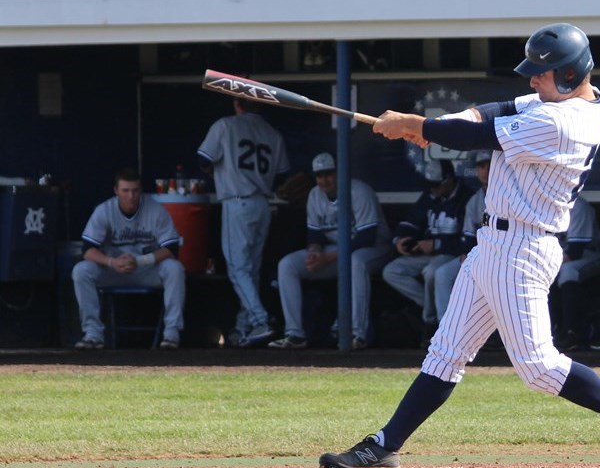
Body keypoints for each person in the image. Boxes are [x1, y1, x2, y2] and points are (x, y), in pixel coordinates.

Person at [318, 22, 600, 468]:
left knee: (539, 367)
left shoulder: (564, 121)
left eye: (541, 75)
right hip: (495, 243)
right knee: (444, 354)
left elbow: (480, 137)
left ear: (567, 75)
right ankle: (385, 446)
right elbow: (496, 110)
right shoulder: (573, 98)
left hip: (523, 249)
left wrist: (418, 125)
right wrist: (440, 126)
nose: (532, 81)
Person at [269, 152, 393, 350]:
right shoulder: (314, 195)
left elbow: (366, 237)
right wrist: (315, 253)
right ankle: (295, 334)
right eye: (319, 175)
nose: (324, 180)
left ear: (339, 173)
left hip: (375, 249)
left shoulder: (359, 191)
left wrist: (328, 257)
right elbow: (315, 235)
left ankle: (357, 334)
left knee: (356, 261)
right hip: (337, 252)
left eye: (328, 174)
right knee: (287, 265)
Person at [197, 97, 290, 347]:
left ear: (238, 105)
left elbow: (204, 160)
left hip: (237, 202)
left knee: (239, 270)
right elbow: (282, 175)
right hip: (263, 205)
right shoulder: (273, 133)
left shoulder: (226, 125)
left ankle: (261, 321)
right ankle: (243, 326)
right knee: (251, 271)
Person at [72, 168, 185, 350]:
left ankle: (172, 334)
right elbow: (88, 250)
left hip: (146, 268)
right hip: (114, 269)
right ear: (116, 190)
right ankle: (93, 334)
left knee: (174, 268)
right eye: (125, 191)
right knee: (81, 270)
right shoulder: (105, 210)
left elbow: (171, 248)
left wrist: (140, 261)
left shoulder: (155, 209)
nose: (131, 196)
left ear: (141, 190)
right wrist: (112, 262)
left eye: (135, 190)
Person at [381, 159, 475, 343]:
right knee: (392, 271)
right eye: (430, 185)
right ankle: (428, 306)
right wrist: (400, 239)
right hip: (427, 255)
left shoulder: (466, 198)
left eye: (436, 185)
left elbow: (466, 240)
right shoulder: (430, 196)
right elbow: (410, 222)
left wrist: (437, 244)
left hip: (451, 255)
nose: (432, 189)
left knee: (433, 272)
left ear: (449, 180)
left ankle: (436, 326)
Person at [432, 150, 490, 323]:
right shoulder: (475, 201)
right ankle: (446, 328)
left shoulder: (511, 195)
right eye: (481, 166)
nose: (486, 171)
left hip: (507, 257)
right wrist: (469, 254)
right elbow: (467, 237)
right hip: (481, 256)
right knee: (443, 273)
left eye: (490, 166)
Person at [550, 196, 600, 350]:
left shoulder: (578, 206)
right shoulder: (544, 204)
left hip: (589, 255)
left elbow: (575, 252)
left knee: (567, 271)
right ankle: (552, 330)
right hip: (559, 257)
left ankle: (572, 331)